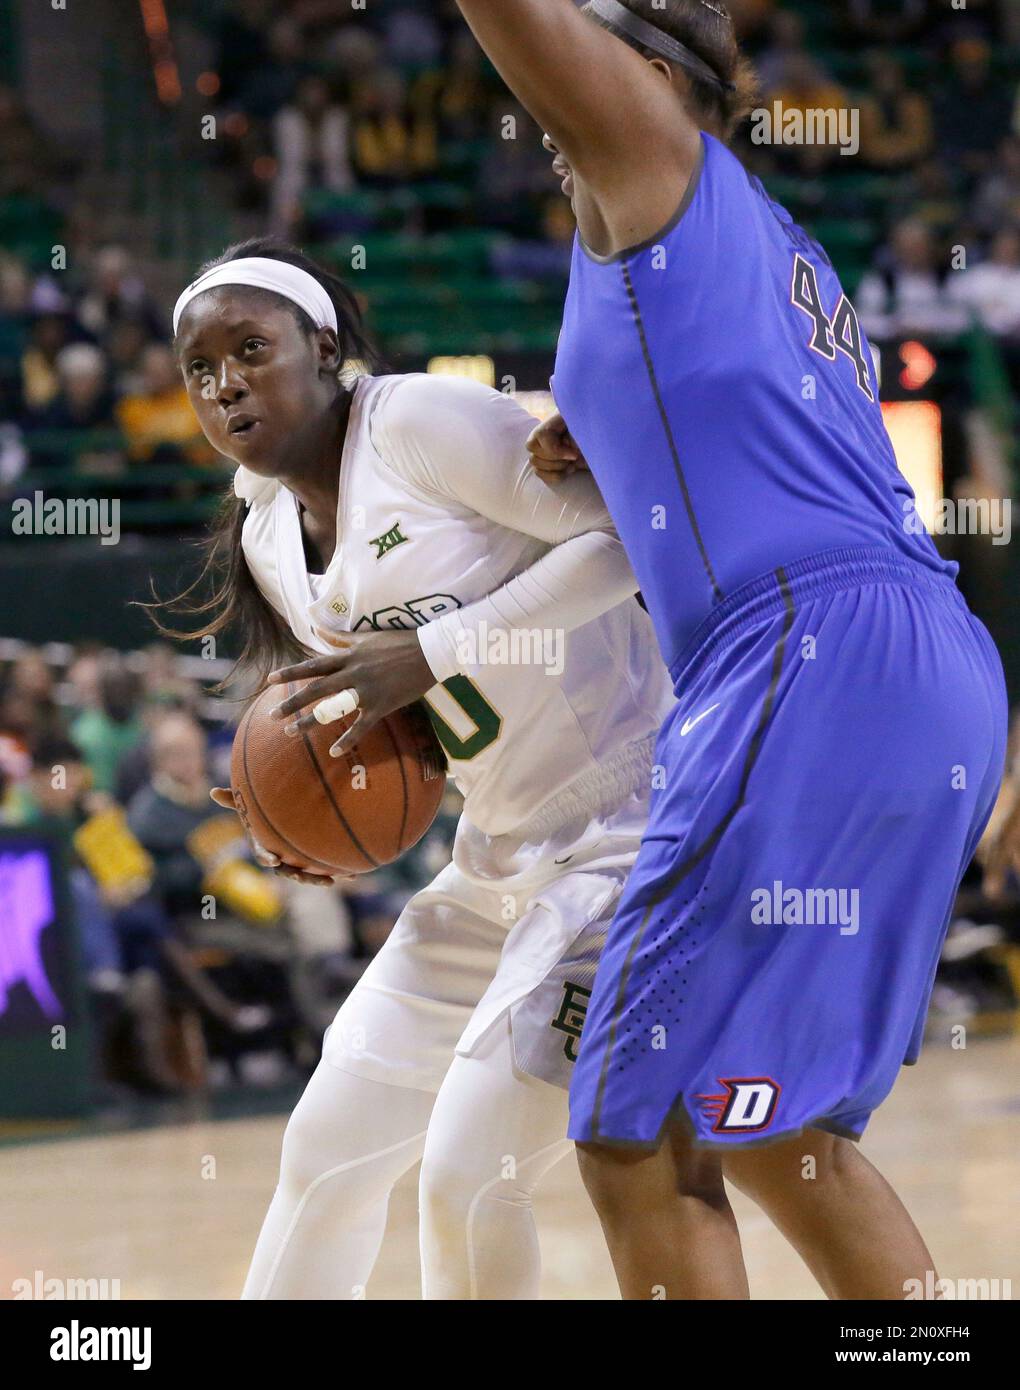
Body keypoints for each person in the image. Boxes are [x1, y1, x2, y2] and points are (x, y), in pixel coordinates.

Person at [453, 0, 1008, 1300]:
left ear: (652, 77)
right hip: (925, 665)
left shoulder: (654, 151)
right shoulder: (762, 239)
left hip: (806, 651)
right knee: (767, 1121)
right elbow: (744, 423)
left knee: (634, 1121)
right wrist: (601, 433)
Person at [156, 237, 674, 1299]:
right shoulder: (265, 534)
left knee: (467, 1171)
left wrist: (434, 648)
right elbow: (381, 713)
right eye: (201, 371)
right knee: (326, 1146)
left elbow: (629, 541)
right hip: (494, 858)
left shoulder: (422, 422)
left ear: (326, 346)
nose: (226, 385)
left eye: (251, 349)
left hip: (635, 830)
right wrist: (297, 812)